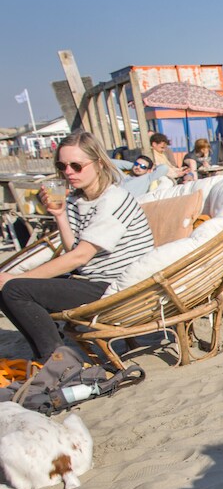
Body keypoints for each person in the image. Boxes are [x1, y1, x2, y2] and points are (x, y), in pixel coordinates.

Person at [0, 132, 155, 361]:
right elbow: (73, 250)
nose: (68, 172)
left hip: (119, 286)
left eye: (76, 165)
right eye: (62, 166)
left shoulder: (113, 199)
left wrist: (15, 278)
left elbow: (80, 257)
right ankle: (50, 356)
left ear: (99, 163)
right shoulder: (77, 200)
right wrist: (60, 215)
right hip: (91, 279)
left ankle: (59, 362)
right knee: (6, 290)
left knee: (15, 289)